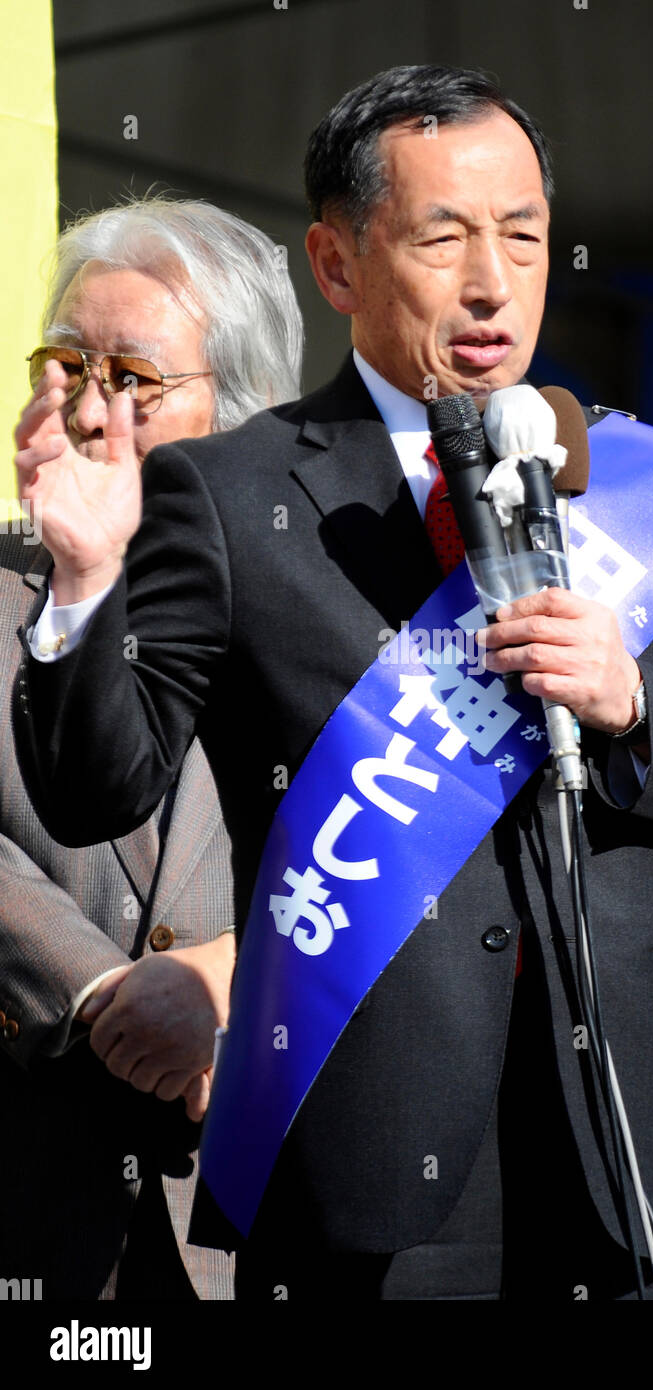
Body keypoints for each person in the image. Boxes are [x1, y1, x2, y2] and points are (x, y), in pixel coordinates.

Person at [13, 68, 653, 1301]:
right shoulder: (236, 494)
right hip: (368, 1171)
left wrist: (637, 703)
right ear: (337, 266)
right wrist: (82, 584)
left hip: (632, 1163)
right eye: (443, 237)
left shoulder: (650, 492)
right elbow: (94, 787)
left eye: (522, 235)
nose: (492, 281)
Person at [1, 195, 302, 1299]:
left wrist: (227, 979)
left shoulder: (314, 611)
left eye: (133, 378)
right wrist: (96, 993)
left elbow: (397, 859)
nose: (89, 409)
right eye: (67, 364)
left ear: (245, 411)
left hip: (250, 1205)